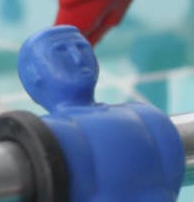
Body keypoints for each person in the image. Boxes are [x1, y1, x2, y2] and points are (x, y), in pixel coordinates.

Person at [18, 26, 185, 201]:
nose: (77, 58)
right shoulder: (48, 135)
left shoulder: (150, 117)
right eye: (61, 52)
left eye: (82, 48)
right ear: (33, 73)